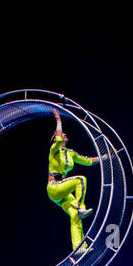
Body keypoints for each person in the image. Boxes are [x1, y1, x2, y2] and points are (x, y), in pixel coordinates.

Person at [47, 107, 97, 252]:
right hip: (54, 187)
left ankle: (79, 248)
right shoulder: (54, 150)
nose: (64, 135)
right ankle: (81, 207)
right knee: (80, 179)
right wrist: (58, 121)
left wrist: (104, 158)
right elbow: (57, 138)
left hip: (63, 193)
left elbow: (87, 160)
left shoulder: (70, 153)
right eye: (62, 134)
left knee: (75, 216)